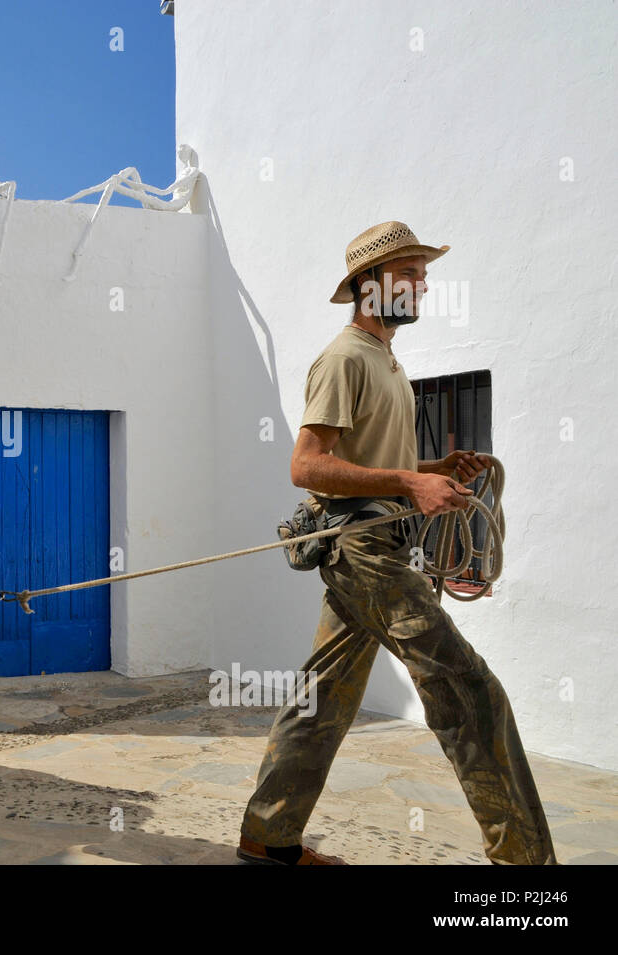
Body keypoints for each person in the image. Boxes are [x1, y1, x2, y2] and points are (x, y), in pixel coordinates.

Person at [236, 221, 556, 865]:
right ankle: (526, 867)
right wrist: (410, 480)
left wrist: (433, 471)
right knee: (470, 691)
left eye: (423, 276)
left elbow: (371, 462)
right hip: (364, 550)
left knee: (321, 697)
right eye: (409, 274)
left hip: (377, 541)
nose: (422, 287)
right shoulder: (345, 357)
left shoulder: (388, 361)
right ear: (368, 283)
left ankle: (268, 838)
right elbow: (307, 466)